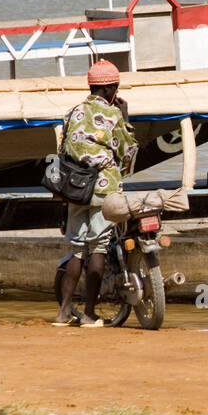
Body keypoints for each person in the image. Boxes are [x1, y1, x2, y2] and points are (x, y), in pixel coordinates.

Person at [51, 60, 138, 327]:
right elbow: (128, 153)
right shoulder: (113, 116)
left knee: (77, 249)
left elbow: (64, 151)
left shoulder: (73, 112)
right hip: (103, 189)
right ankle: (89, 313)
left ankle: (63, 313)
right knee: (98, 247)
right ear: (112, 88)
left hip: (76, 189)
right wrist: (126, 119)